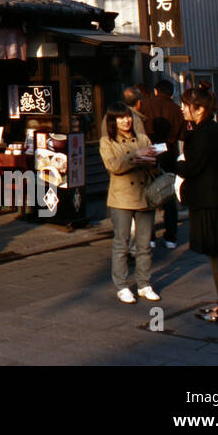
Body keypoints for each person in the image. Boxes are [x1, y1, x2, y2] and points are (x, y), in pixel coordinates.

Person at [174, 83, 218, 325]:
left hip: (209, 202)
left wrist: (166, 162)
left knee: (217, 255)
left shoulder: (202, 135)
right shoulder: (211, 130)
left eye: (185, 106)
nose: (182, 109)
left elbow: (192, 168)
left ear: (200, 109)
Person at [98, 102, 161, 304]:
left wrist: (153, 159)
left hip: (145, 196)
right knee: (121, 245)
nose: (126, 121)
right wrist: (135, 156)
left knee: (144, 245)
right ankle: (122, 286)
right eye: (120, 117)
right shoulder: (107, 141)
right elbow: (113, 166)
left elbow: (154, 166)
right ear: (112, 121)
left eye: (128, 116)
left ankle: (144, 283)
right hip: (121, 198)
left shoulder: (142, 138)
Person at [139, 80, 186, 248]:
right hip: (169, 155)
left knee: (148, 195)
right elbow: (183, 136)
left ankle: (150, 237)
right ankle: (171, 237)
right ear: (171, 93)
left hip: (148, 155)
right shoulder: (176, 109)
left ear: (156, 91)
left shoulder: (144, 105)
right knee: (168, 195)